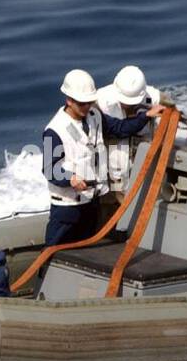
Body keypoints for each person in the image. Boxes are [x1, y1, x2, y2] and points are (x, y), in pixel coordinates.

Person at [42, 69, 166, 246]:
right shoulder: (54, 131)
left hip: (91, 202)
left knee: (87, 250)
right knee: (54, 251)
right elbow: (49, 168)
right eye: (82, 103)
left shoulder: (95, 116)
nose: (86, 107)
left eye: (89, 102)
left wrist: (145, 116)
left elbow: (120, 128)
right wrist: (71, 179)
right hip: (67, 209)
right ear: (69, 100)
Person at [96, 65, 163, 200]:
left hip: (141, 157)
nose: (128, 105)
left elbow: (170, 112)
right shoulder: (100, 101)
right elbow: (120, 129)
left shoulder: (154, 97)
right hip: (112, 158)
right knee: (113, 197)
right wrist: (146, 115)